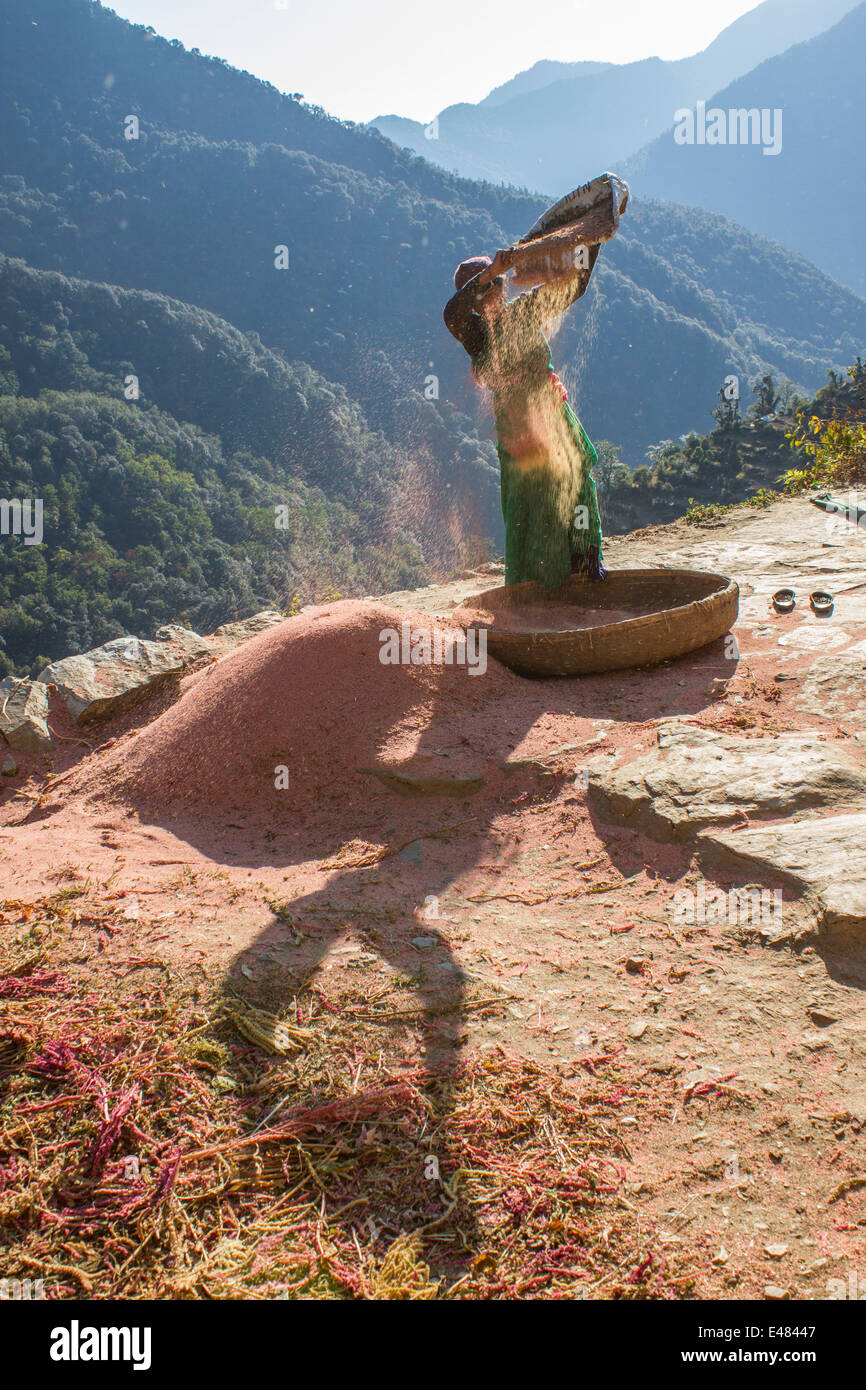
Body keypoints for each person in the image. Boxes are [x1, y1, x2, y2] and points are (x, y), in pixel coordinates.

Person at [444, 249, 606, 588]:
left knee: (576, 480)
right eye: (484, 290)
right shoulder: (476, 334)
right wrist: (491, 272)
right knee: (534, 499)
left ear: (503, 287)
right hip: (519, 425)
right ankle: (541, 579)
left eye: (495, 286)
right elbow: (451, 312)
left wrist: (590, 238)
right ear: (473, 300)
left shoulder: (526, 311)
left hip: (551, 410)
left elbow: (576, 285)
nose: (491, 294)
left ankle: (583, 557)